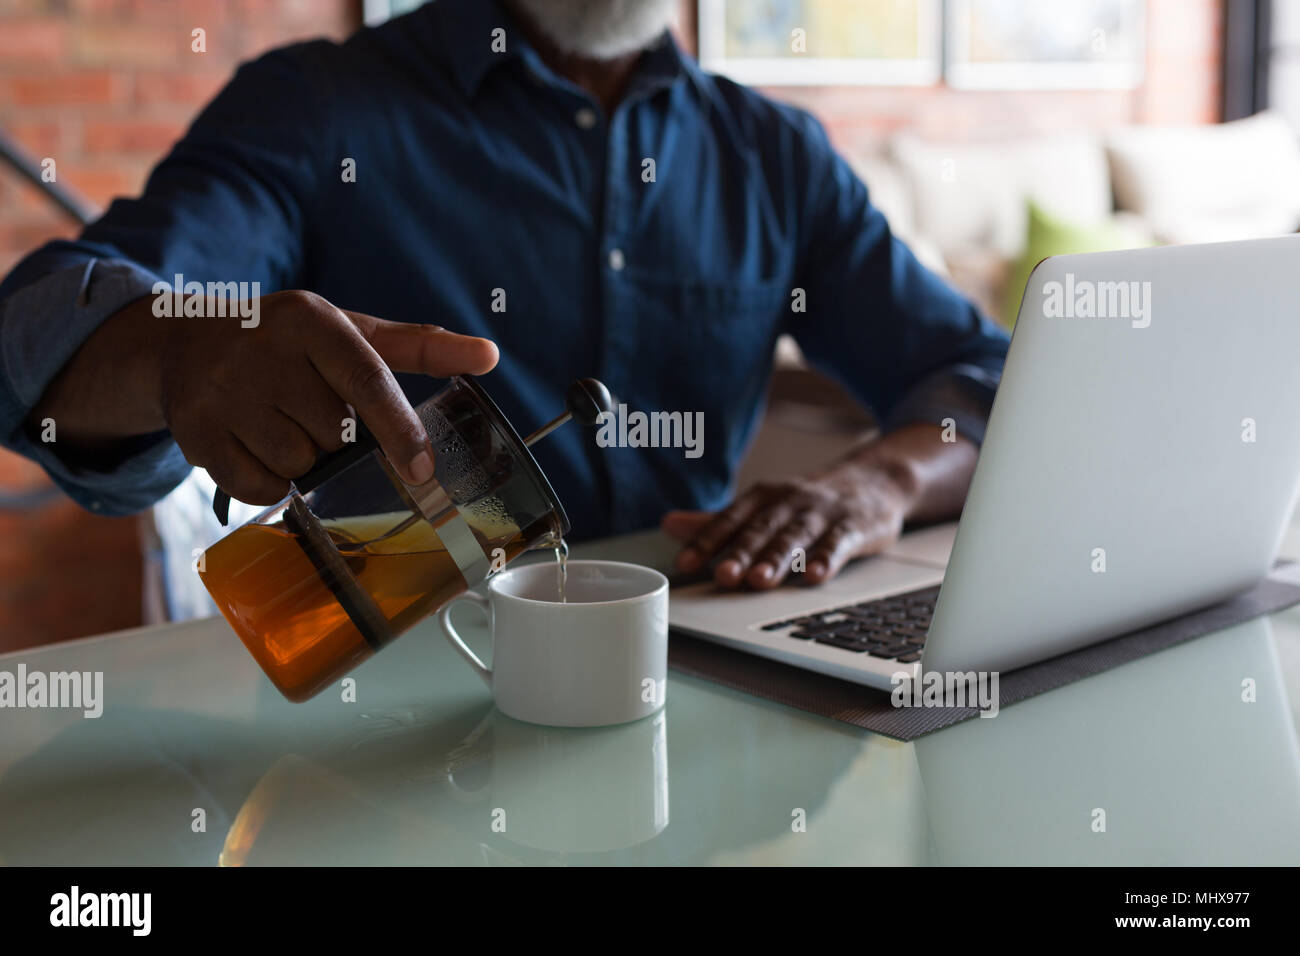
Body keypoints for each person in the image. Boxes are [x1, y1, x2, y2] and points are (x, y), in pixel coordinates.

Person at [0, 0, 1008, 603]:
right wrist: (177, 354)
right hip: (388, 703)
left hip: (699, 668)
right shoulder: (315, 107)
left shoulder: (776, 156)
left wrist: (879, 483)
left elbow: (990, 376)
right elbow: (34, 329)